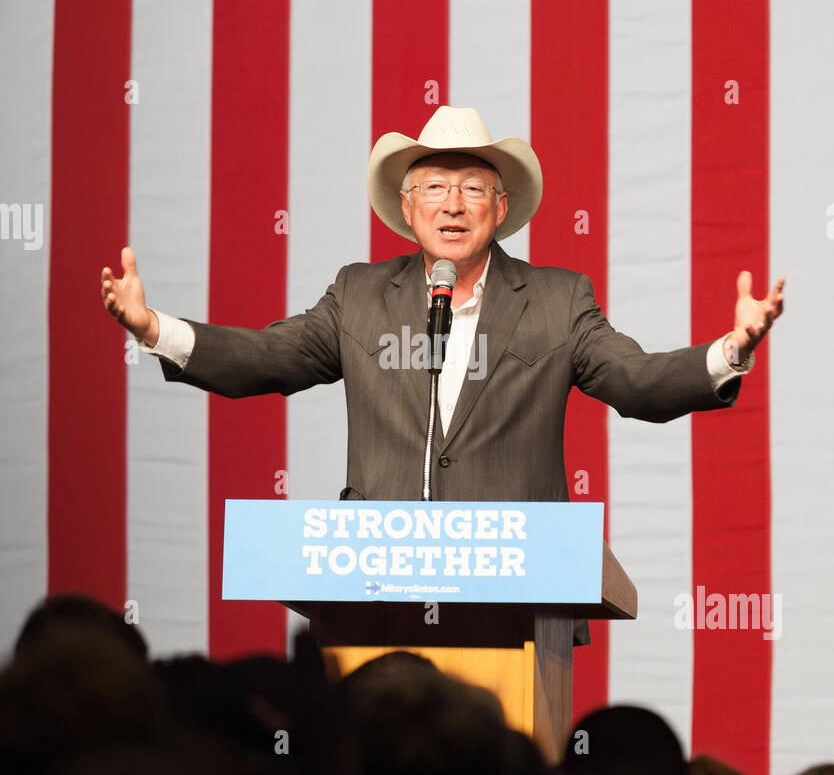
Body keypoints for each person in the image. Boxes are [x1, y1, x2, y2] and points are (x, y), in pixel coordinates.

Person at [101, 106, 784, 501]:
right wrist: (155, 328)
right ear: (407, 207)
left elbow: (637, 383)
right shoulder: (358, 295)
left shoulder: (558, 299)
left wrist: (731, 350)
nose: (453, 204)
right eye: (433, 187)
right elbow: (268, 358)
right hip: (379, 589)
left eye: (472, 188)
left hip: (515, 588)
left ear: (501, 207)